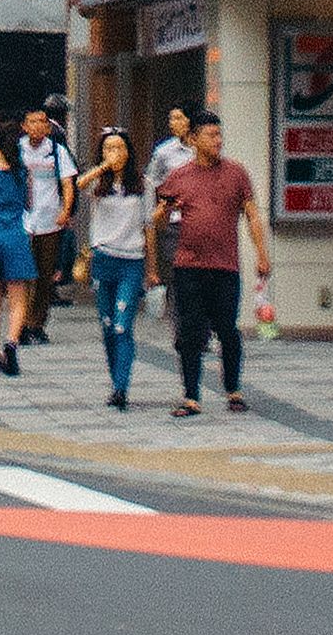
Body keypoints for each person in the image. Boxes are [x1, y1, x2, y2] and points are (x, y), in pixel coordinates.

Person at [157, 109, 268, 417]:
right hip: (188, 265)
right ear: (193, 139)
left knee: (227, 330)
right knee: (190, 332)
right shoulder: (179, 176)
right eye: (210, 135)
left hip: (225, 266)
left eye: (219, 134)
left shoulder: (236, 173)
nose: (217, 140)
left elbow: (252, 214)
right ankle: (191, 396)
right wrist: (162, 214)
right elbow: (160, 220)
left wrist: (262, 254)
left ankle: (233, 389)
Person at [79, 128, 154, 411]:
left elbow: (149, 227)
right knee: (107, 326)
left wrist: (151, 268)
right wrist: (102, 168)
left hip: (131, 262)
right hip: (103, 260)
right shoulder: (98, 184)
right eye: (109, 148)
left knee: (123, 326)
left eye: (120, 148)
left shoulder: (144, 185)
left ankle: (121, 387)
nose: (115, 154)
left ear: (129, 152)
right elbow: (78, 185)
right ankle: (114, 382)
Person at [0, 119, 37, 376]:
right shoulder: (23, 174)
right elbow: (29, 204)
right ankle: (11, 342)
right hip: (16, 236)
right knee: (17, 299)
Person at [17, 105, 77, 344]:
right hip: (23, 220)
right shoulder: (17, 149)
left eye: (42, 122)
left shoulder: (56, 151)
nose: (38, 126)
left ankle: (37, 323)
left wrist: (65, 210)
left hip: (49, 221)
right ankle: (20, 322)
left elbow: (68, 184)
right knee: (23, 275)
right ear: (24, 126)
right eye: (32, 121)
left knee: (44, 275)